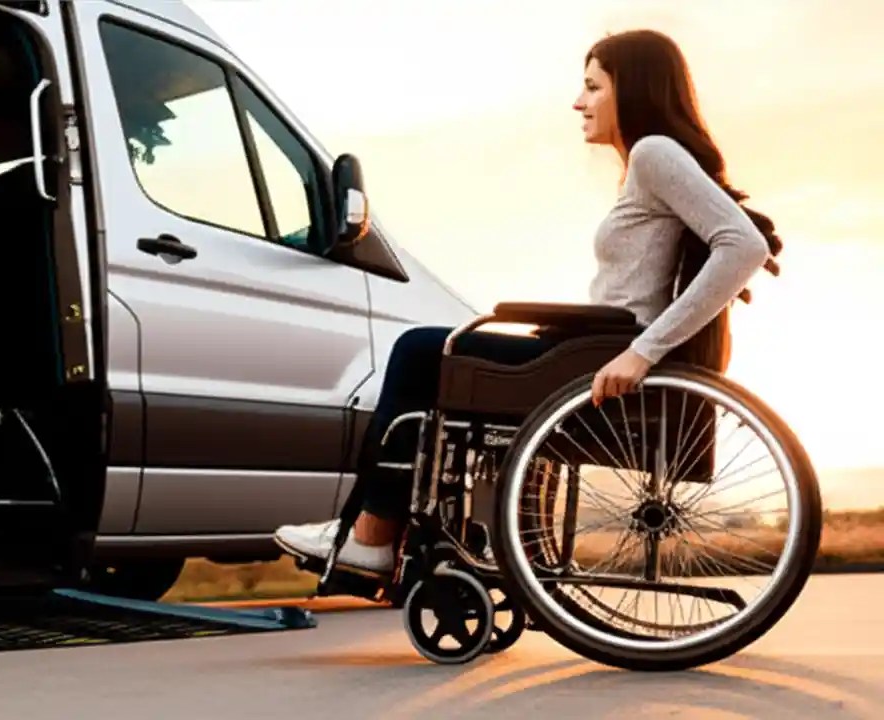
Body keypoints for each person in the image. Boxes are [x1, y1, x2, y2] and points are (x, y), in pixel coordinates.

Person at [273, 29, 782, 575]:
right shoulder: (649, 163)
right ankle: (396, 534)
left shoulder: (654, 153)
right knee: (431, 358)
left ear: (630, 89)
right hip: (592, 345)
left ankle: (373, 535)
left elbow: (742, 246)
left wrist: (643, 352)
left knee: (420, 352)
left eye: (592, 87)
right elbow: (730, 239)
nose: (578, 102)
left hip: (601, 353)